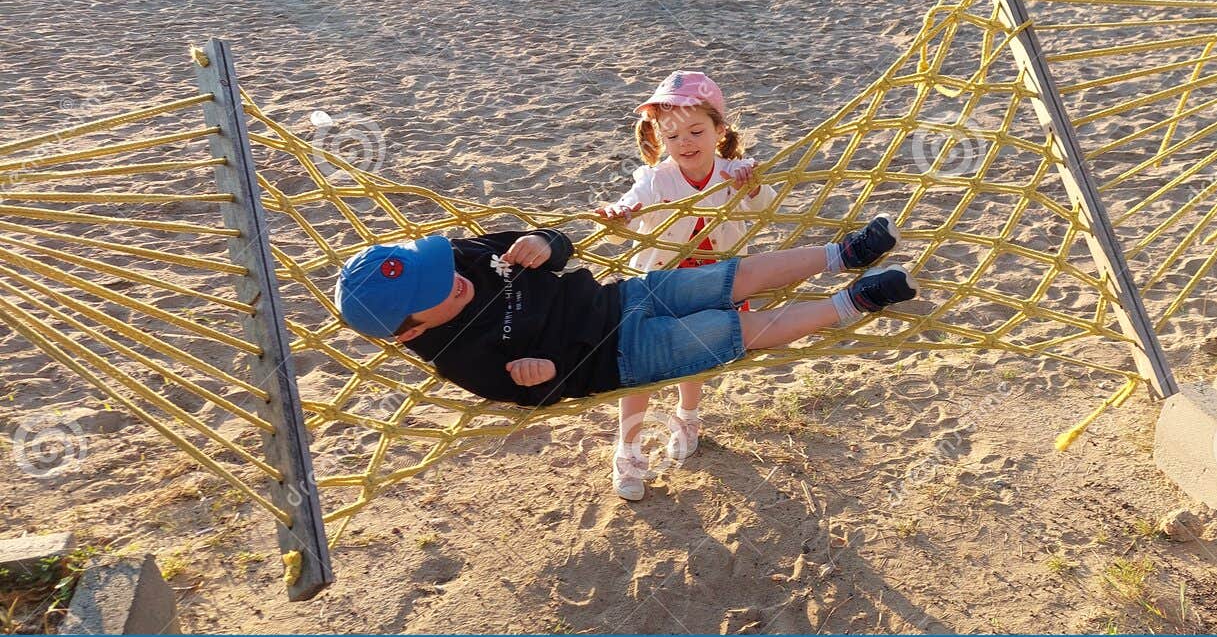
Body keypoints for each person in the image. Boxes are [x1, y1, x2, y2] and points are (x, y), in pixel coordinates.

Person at [334, 216, 916, 500]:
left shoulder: (459, 258)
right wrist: (538, 376)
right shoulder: (458, 357)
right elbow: (530, 393)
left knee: (727, 279)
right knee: (734, 329)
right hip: (617, 357)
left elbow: (557, 246)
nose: (453, 282)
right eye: (435, 293)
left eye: (436, 270)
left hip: (620, 297)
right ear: (410, 333)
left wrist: (545, 244)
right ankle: (851, 303)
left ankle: (840, 255)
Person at [594, 71, 773, 477]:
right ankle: (628, 447)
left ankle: (687, 416)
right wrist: (619, 214)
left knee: (694, 356)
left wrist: (752, 185)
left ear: (719, 130)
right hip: (661, 285)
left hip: (715, 283)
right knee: (640, 365)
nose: (685, 144)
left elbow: (765, 210)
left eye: (696, 131)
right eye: (673, 137)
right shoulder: (656, 179)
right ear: (660, 139)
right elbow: (631, 208)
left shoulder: (734, 173)